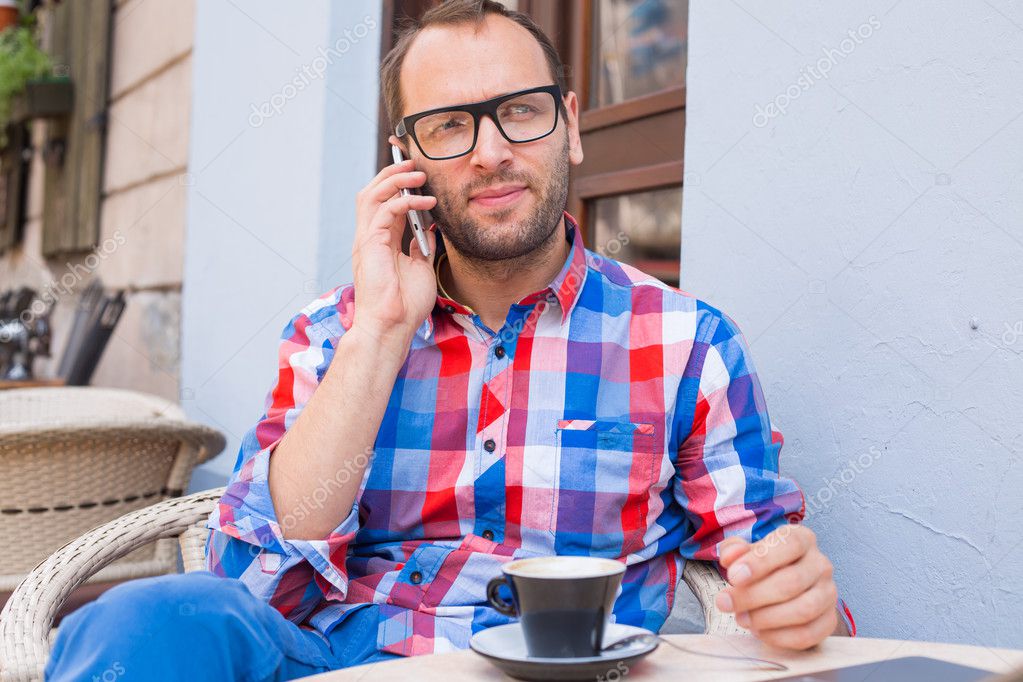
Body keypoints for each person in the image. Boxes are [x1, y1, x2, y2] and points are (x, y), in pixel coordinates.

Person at [45, 1, 852, 679]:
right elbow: (252, 584)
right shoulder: (333, 335)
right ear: (405, 161)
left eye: (521, 112)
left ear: (568, 126)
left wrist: (798, 603)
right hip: (347, 663)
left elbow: (770, 577)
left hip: (574, 672)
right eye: (448, 126)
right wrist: (382, 331)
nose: (492, 152)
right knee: (151, 619)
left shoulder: (687, 342)